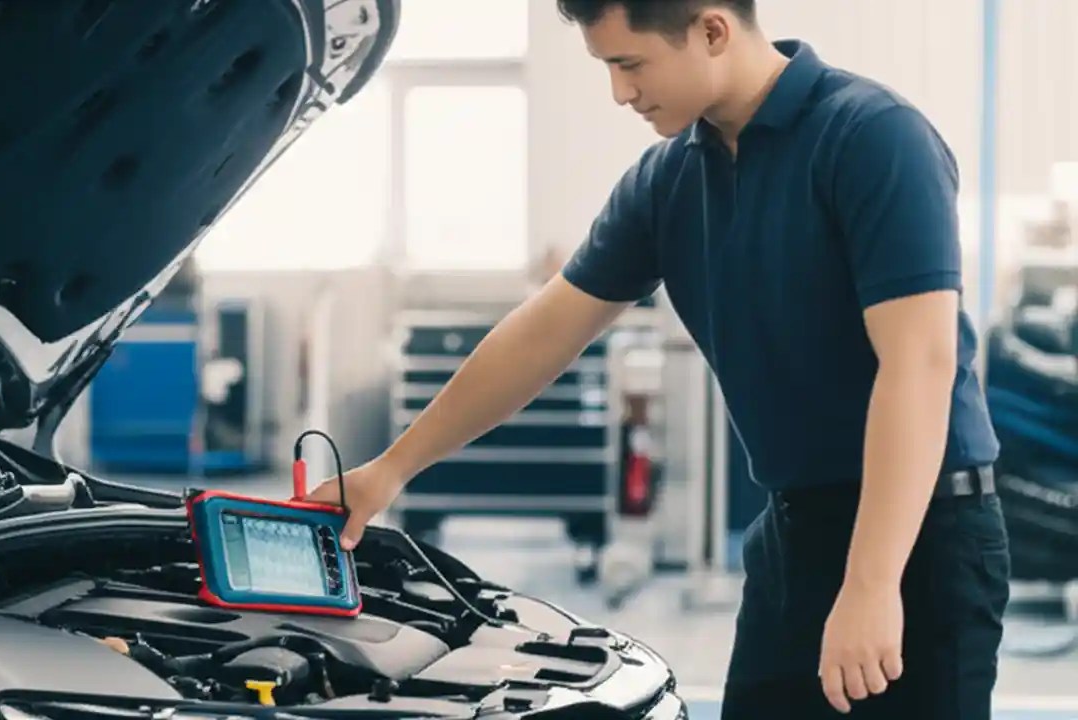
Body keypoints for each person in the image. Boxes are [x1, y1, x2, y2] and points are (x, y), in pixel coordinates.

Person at [306, 1, 1011, 717]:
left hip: (918, 538)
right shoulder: (666, 180)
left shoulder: (873, 138)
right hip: (795, 536)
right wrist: (392, 468)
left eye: (629, 63)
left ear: (712, 30)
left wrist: (870, 584)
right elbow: (541, 335)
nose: (620, 92)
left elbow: (920, 367)